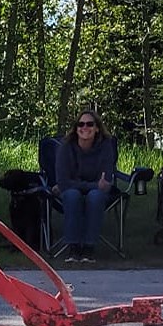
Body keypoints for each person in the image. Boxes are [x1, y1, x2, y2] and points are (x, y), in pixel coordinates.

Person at [53, 109, 119, 263]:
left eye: (90, 124)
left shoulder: (106, 146)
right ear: (76, 128)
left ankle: (89, 249)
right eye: (80, 124)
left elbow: (106, 180)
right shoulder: (66, 147)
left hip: (97, 192)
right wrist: (93, 185)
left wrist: (95, 186)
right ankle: (73, 248)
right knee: (72, 195)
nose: (85, 128)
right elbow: (63, 181)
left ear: (97, 128)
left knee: (95, 197)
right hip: (72, 190)